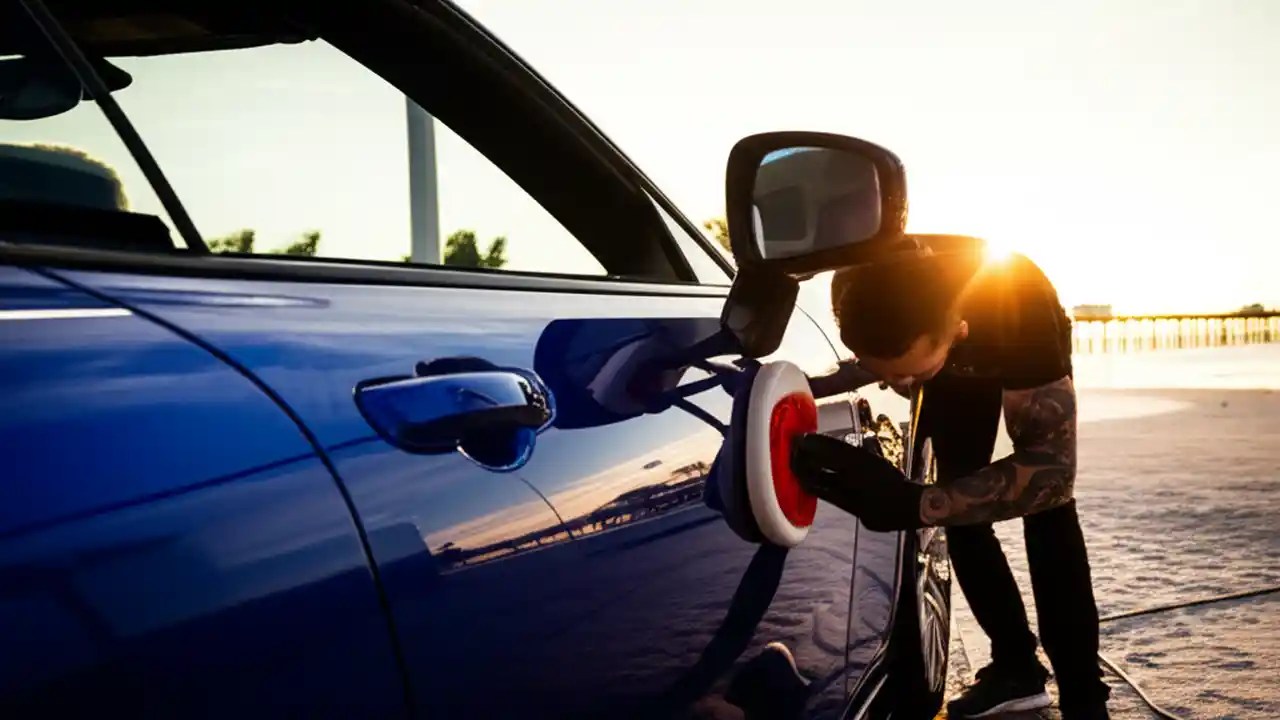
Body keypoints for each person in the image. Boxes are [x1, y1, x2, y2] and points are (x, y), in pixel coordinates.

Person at [789, 240, 1111, 720]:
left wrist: (914, 504)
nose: (901, 388)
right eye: (889, 378)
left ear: (958, 331)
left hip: (1008, 326)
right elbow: (867, 365)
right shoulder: (852, 289)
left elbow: (1052, 473)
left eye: (913, 374)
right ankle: (1015, 668)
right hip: (945, 359)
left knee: (1049, 513)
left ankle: (1085, 698)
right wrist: (786, 390)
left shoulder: (1016, 301)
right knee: (960, 497)